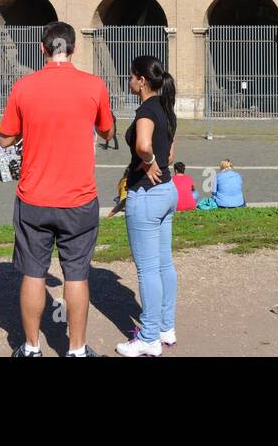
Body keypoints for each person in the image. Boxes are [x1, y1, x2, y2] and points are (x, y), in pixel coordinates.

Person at [0, 21, 114, 359]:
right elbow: (107, 132)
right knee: (77, 274)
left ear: (42, 48)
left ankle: (32, 347)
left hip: (34, 197)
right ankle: (76, 349)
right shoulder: (94, 85)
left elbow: (6, 138)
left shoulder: (23, 87)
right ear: (74, 49)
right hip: (78, 199)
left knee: (34, 272)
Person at [116, 55, 179, 357]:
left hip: (146, 197)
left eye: (130, 76)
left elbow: (144, 145)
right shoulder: (166, 108)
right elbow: (170, 151)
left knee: (147, 270)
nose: (128, 81)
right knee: (164, 263)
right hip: (167, 191)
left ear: (141, 80)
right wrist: (153, 163)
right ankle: (166, 327)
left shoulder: (145, 110)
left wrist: (147, 160)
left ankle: (149, 336)